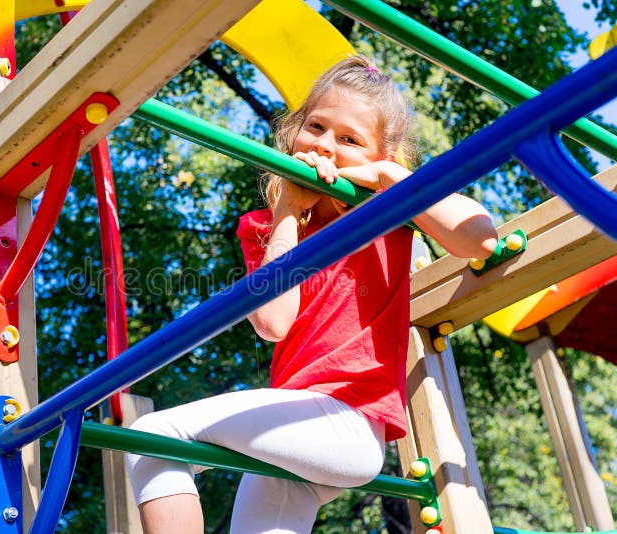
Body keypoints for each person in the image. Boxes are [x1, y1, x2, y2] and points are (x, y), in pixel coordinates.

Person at [125, 55, 498, 534]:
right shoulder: (264, 225)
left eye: (349, 140)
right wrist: (286, 213)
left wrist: (389, 178)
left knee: (156, 436)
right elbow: (273, 323)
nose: (325, 146)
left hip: (350, 422)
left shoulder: (390, 212)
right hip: (299, 431)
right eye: (316, 127)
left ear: (379, 155)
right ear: (295, 130)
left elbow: (480, 240)